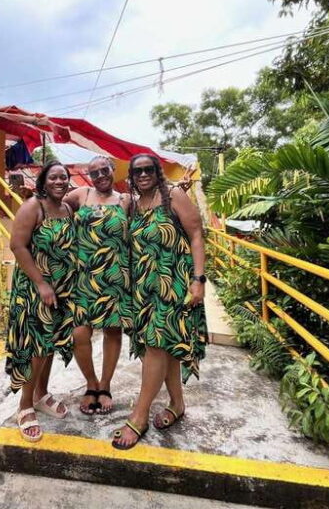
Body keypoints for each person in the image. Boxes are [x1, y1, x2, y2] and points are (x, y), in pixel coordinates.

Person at [112, 153, 208, 450]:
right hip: (143, 287)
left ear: (158, 172)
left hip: (174, 283)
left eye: (148, 169)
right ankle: (177, 403)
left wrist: (199, 280)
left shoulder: (174, 196)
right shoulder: (133, 205)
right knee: (165, 349)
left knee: (156, 346)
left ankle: (139, 416)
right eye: (137, 171)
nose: (142, 175)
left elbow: (195, 234)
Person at [6, 161, 76, 442]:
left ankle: (41, 394)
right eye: (54, 177)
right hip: (36, 287)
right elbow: (17, 246)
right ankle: (25, 405)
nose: (60, 181)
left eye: (64, 177)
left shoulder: (67, 208)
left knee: (50, 343)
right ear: (44, 181)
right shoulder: (32, 207)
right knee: (35, 345)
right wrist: (41, 283)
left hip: (61, 288)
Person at [65, 156, 131, 415]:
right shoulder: (82, 193)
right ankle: (90, 384)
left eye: (105, 170)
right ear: (89, 176)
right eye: (95, 172)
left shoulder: (125, 201)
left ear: (113, 171)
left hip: (115, 275)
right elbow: (54, 206)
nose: (101, 175)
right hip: (83, 276)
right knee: (80, 333)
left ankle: (104, 386)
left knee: (113, 332)